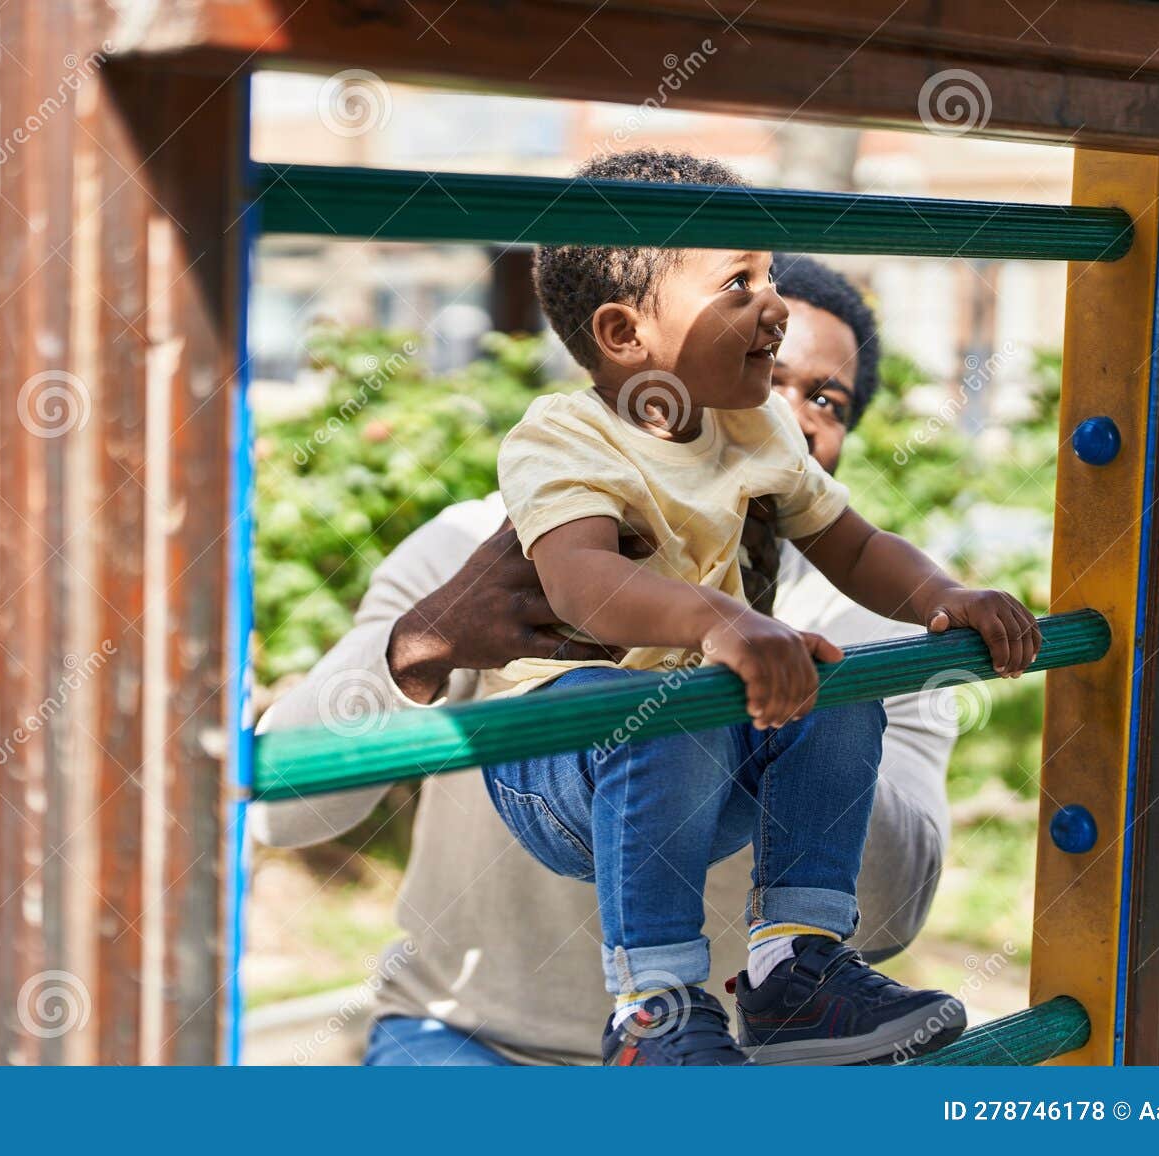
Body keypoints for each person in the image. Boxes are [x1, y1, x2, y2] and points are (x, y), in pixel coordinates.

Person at [252, 247, 965, 1067]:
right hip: (475, 1043)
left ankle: (774, 982)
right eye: (763, 373)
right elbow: (282, 808)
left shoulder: (856, 619)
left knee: (780, 712)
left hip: (724, 1061)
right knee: (638, 718)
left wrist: (789, 711)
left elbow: (895, 911)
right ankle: (654, 1000)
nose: (788, 413)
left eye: (825, 398)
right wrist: (421, 646)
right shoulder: (484, 549)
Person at [467, 149, 1038, 1066]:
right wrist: (716, 619)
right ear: (624, 334)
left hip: (704, 756)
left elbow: (852, 544)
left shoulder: (755, 426)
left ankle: (794, 971)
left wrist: (944, 595)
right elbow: (584, 583)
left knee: (836, 683)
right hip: (560, 764)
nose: (774, 303)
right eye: (740, 283)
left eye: (768, 275)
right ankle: (652, 1008)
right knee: (657, 715)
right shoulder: (561, 437)